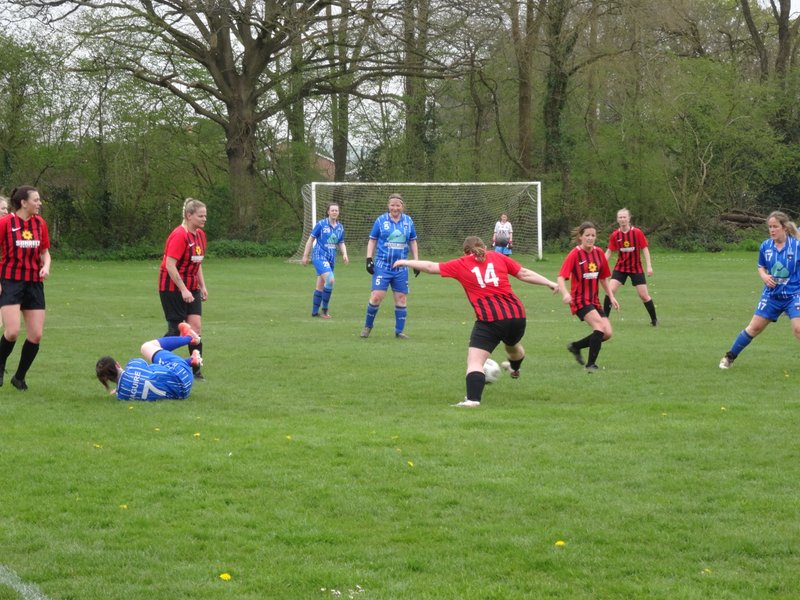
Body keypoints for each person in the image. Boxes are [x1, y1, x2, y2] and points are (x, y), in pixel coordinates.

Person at [394, 236, 558, 407]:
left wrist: (406, 261)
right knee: (513, 346)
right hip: (517, 315)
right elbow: (523, 273)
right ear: (485, 247)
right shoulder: (497, 256)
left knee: (475, 362)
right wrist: (549, 282)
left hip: (490, 319)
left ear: (464, 252)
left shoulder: (461, 263)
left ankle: (472, 400)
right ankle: (515, 369)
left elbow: (430, 267)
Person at [719, 211, 800, 369]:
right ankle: (729, 357)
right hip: (771, 296)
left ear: (784, 228)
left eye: (775, 226)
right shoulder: (766, 246)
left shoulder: (796, 246)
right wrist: (763, 276)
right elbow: (760, 266)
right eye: (770, 227)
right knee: (754, 328)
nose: (772, 230)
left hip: (794, 295)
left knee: (798, 329)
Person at [0, 186, 51, 391]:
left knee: (36, 335)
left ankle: (19, 377)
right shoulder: (5, 223)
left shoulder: (40, 223)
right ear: (23, 202)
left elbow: (45, 253)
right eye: (36, 200)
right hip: (11, 281)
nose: (39, 203)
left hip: (34, 284)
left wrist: (45, 266)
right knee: (11, 332)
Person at [557, 221, 619, 373]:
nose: (590, 238)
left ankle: (575, 346)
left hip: (594, 301)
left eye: (593, 235)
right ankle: (591, 365)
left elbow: (604, 278)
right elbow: (561, 277)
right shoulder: (574, 254)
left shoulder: (599, 253)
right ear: (580, 237)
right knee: (599, 327)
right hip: (579, 300)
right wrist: (565, 293)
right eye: (587, 235)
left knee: (607, 333)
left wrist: (611, 296)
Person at [159, 198, 207, 379]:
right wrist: (183, 289)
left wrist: (202, 286)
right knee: (176, 330)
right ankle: (155, 354)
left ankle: (196, 370)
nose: (204, 219)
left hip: (191, 286)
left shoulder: (201, 235)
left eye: (205, 216)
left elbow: (198, 262)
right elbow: (170, 265)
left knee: (195, 328)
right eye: (200, 216)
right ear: (189, 215)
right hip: (171, 288)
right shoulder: (179, 235)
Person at [361, 193, 419, 339]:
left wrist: (416, 262)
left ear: (402, 206)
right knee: (376, 296)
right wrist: (369, 258)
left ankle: (399, 332)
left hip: (401, 267)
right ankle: (368, 326)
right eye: (392, 205)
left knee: (401, 298)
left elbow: (412, 241)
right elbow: (372, 240)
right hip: (382, 265)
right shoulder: (381, 220)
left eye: (398, 205)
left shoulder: (408, 221)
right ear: (388, 206)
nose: (395, 208)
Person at [96, 322, 203, 400]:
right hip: (182, 373)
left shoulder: (122, 395)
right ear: (117, 365)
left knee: (157, 372)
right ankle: (190, 338)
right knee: (146, 347)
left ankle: (190, 361)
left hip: (182, 393)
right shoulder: (133, 366)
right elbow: (152, 367)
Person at [604, 208, 658, 326]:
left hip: (636, 268)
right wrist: (600, 264)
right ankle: (604, 321)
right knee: (610, 291)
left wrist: (649, 266)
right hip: (621, 268)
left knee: (643, 295)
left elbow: (645, 249)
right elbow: (609, 252)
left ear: (629, 218)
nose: (622, 219)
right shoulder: (615, 235)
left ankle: (654, 320)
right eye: (620, 217)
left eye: (624, 217)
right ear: (617, 220)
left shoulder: (637, 233)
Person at [301, 202, 349, 318]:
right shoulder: (321, 224)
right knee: (330, 280)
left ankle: (314, 312)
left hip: (331, 258)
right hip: (319, 256)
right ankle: (324, 310)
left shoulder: (340, 227)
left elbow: (341, 242)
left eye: (336, 210)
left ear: (338, 212)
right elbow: (311, 239)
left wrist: (344, 254)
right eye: (332, 210)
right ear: (328, 212)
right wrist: (305, 255)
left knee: (320, 285)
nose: (334, 212)